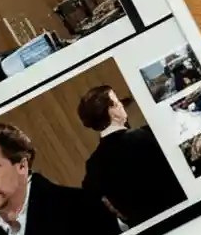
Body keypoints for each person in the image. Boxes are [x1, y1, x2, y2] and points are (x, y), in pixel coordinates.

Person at [77, 85, 187, 227]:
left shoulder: (93, 165)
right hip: (182, 213)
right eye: (117, 102)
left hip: (146, 229)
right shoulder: (143, 137)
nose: (122, 105)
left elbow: (93, 202)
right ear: (112, 112)